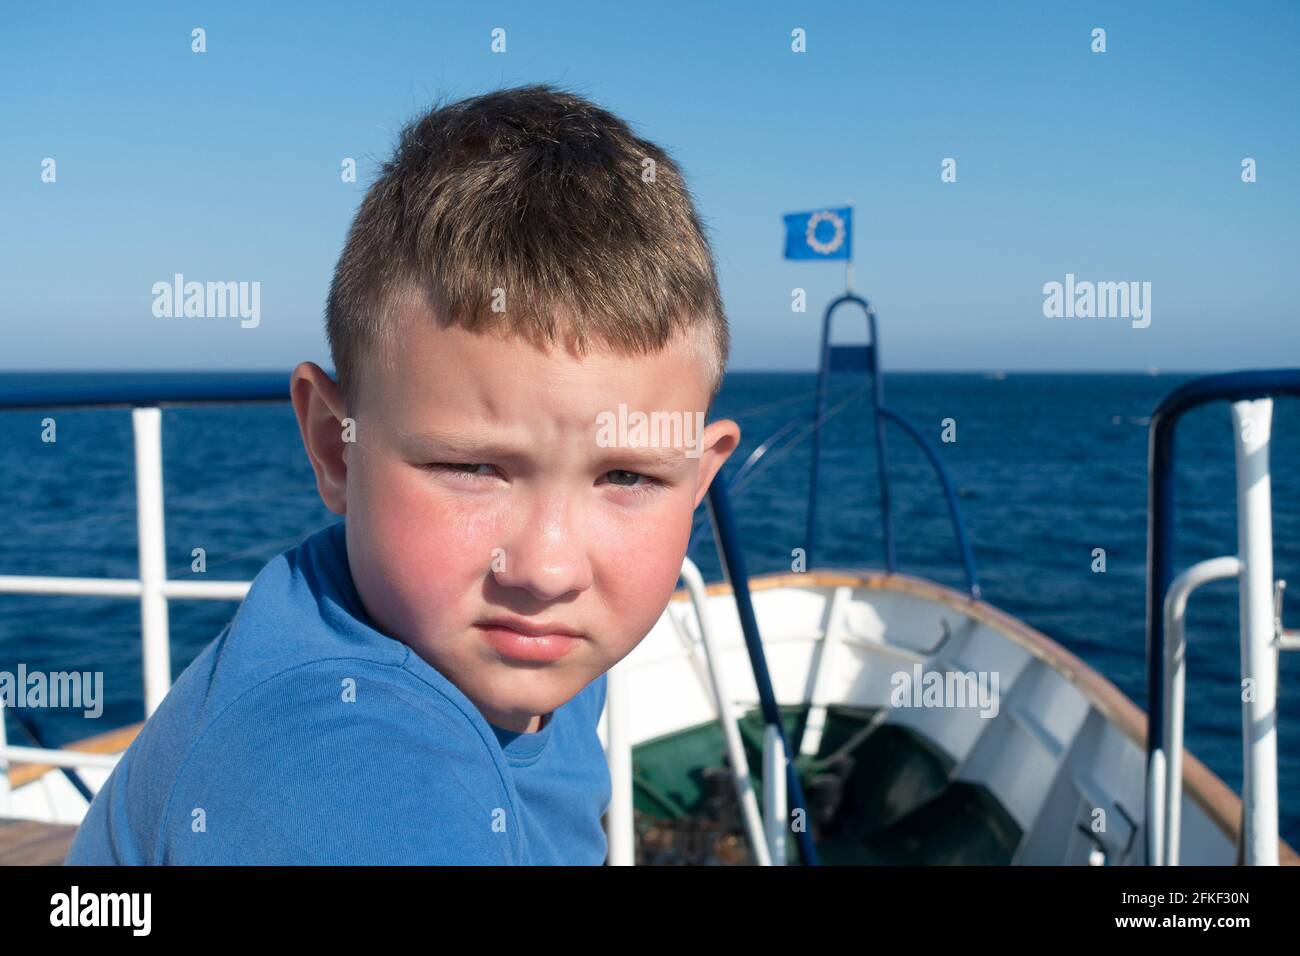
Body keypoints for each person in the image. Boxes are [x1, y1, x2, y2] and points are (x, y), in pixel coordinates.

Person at [65, 83, 740, 864]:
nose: (549, 569)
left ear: (698, 476)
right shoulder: (350, 774)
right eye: (472, 467)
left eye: (627, 478)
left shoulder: (522, 653)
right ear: (332, 445)